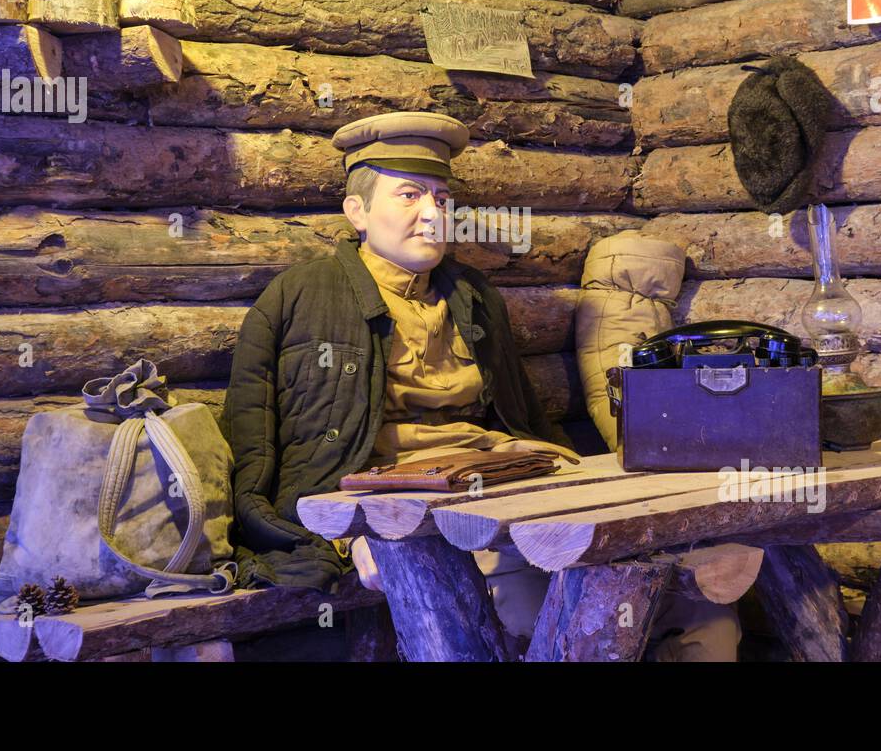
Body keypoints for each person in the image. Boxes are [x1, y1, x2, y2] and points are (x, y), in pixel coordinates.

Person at [224, 110, 739, 659]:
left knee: (708, 612)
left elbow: (521, 416)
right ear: (357, 211)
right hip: (404, 503)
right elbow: (258, 451)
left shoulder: (472, 294)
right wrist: (336, 537)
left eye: (442, 200)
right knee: (543, 605)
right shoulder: (299, 297)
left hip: (499, 476)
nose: (432, 215)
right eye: (408, 196)